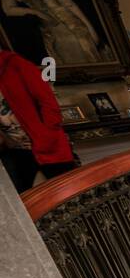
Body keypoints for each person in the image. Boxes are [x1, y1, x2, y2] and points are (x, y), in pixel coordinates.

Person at [0, 49, 76, 191]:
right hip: (15, 153)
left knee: (66, 197)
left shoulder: (17, 65)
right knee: (31, 205)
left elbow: (48, 103)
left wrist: (46, 137)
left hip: (46, 148)